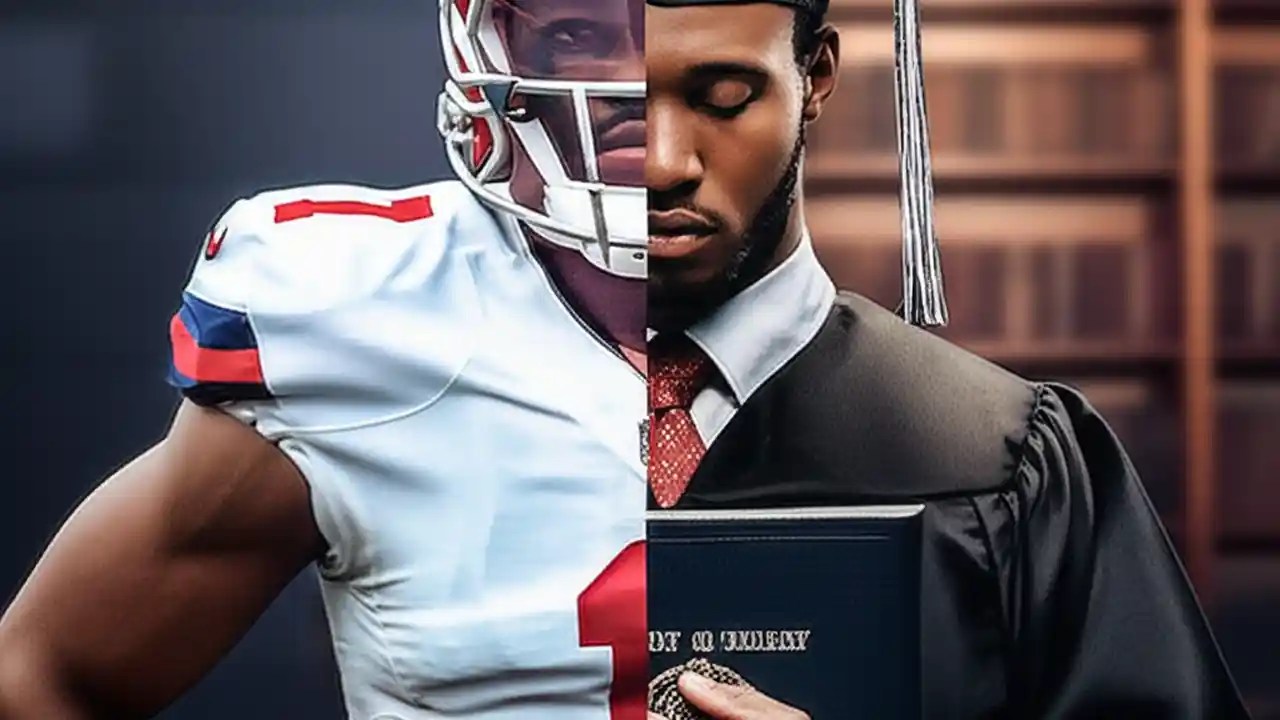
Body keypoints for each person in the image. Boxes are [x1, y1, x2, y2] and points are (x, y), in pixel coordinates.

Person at [0, 1, 651, 718]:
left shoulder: (797, 313)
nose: (630, 83)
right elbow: (45, 669)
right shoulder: (366, 312)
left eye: (674, 30)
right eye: (571, 36)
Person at [642, 0, 1252, 718]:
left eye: (725, 98)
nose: (661, 163)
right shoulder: (482, 437)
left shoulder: (1003, 457)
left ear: (816, 77)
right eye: (614, 106)